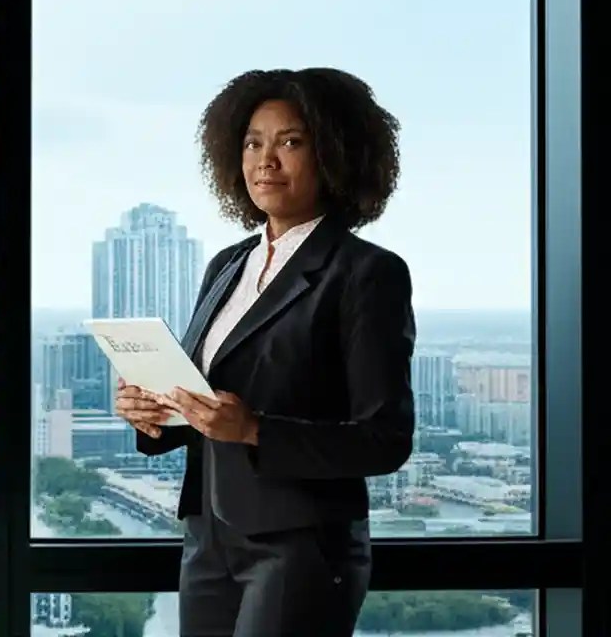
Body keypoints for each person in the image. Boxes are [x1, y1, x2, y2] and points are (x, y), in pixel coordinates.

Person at [114, 67, 415, 637]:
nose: (264, 160)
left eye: (291, 142)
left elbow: (386, 439)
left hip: (301, 549)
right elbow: (208, 404)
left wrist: (256, 430)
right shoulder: (227, 265)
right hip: (208, 535)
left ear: (336, 155)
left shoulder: (367, 274)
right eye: (253, 142)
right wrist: (155, 415)